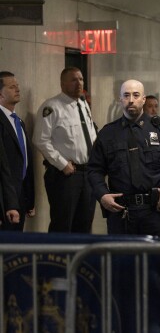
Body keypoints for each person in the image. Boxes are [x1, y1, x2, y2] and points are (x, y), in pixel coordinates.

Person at [87, 79, 160, 240]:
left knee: (158, 262)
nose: (131, 100)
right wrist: (102, 195)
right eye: (126, 95)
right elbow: (94, 170)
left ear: (143, 99)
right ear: (120, 99)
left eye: (136, 95)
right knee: (122, 263)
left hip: (156, 211)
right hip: (121, 212)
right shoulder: (108, 134)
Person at [33, 67, 96, 234]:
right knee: (63, 224)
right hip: (65, 176)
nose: (79, 83)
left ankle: (81, 260)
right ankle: (57, 260)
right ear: (62, 83)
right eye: (74, 80)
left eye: (81, 79)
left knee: (84, 224)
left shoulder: (83, 104)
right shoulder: (52, 107)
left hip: (87, 174)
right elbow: (40, 139)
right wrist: (62, 164)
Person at [0, 72, 34, 230]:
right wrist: (9, 203)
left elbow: (25, 161)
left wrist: (29, 199)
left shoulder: (18, 121)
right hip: (5, 199)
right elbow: (3, 167)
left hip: (20, 196)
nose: (17, 90)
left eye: (17, 86)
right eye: (12, 87)